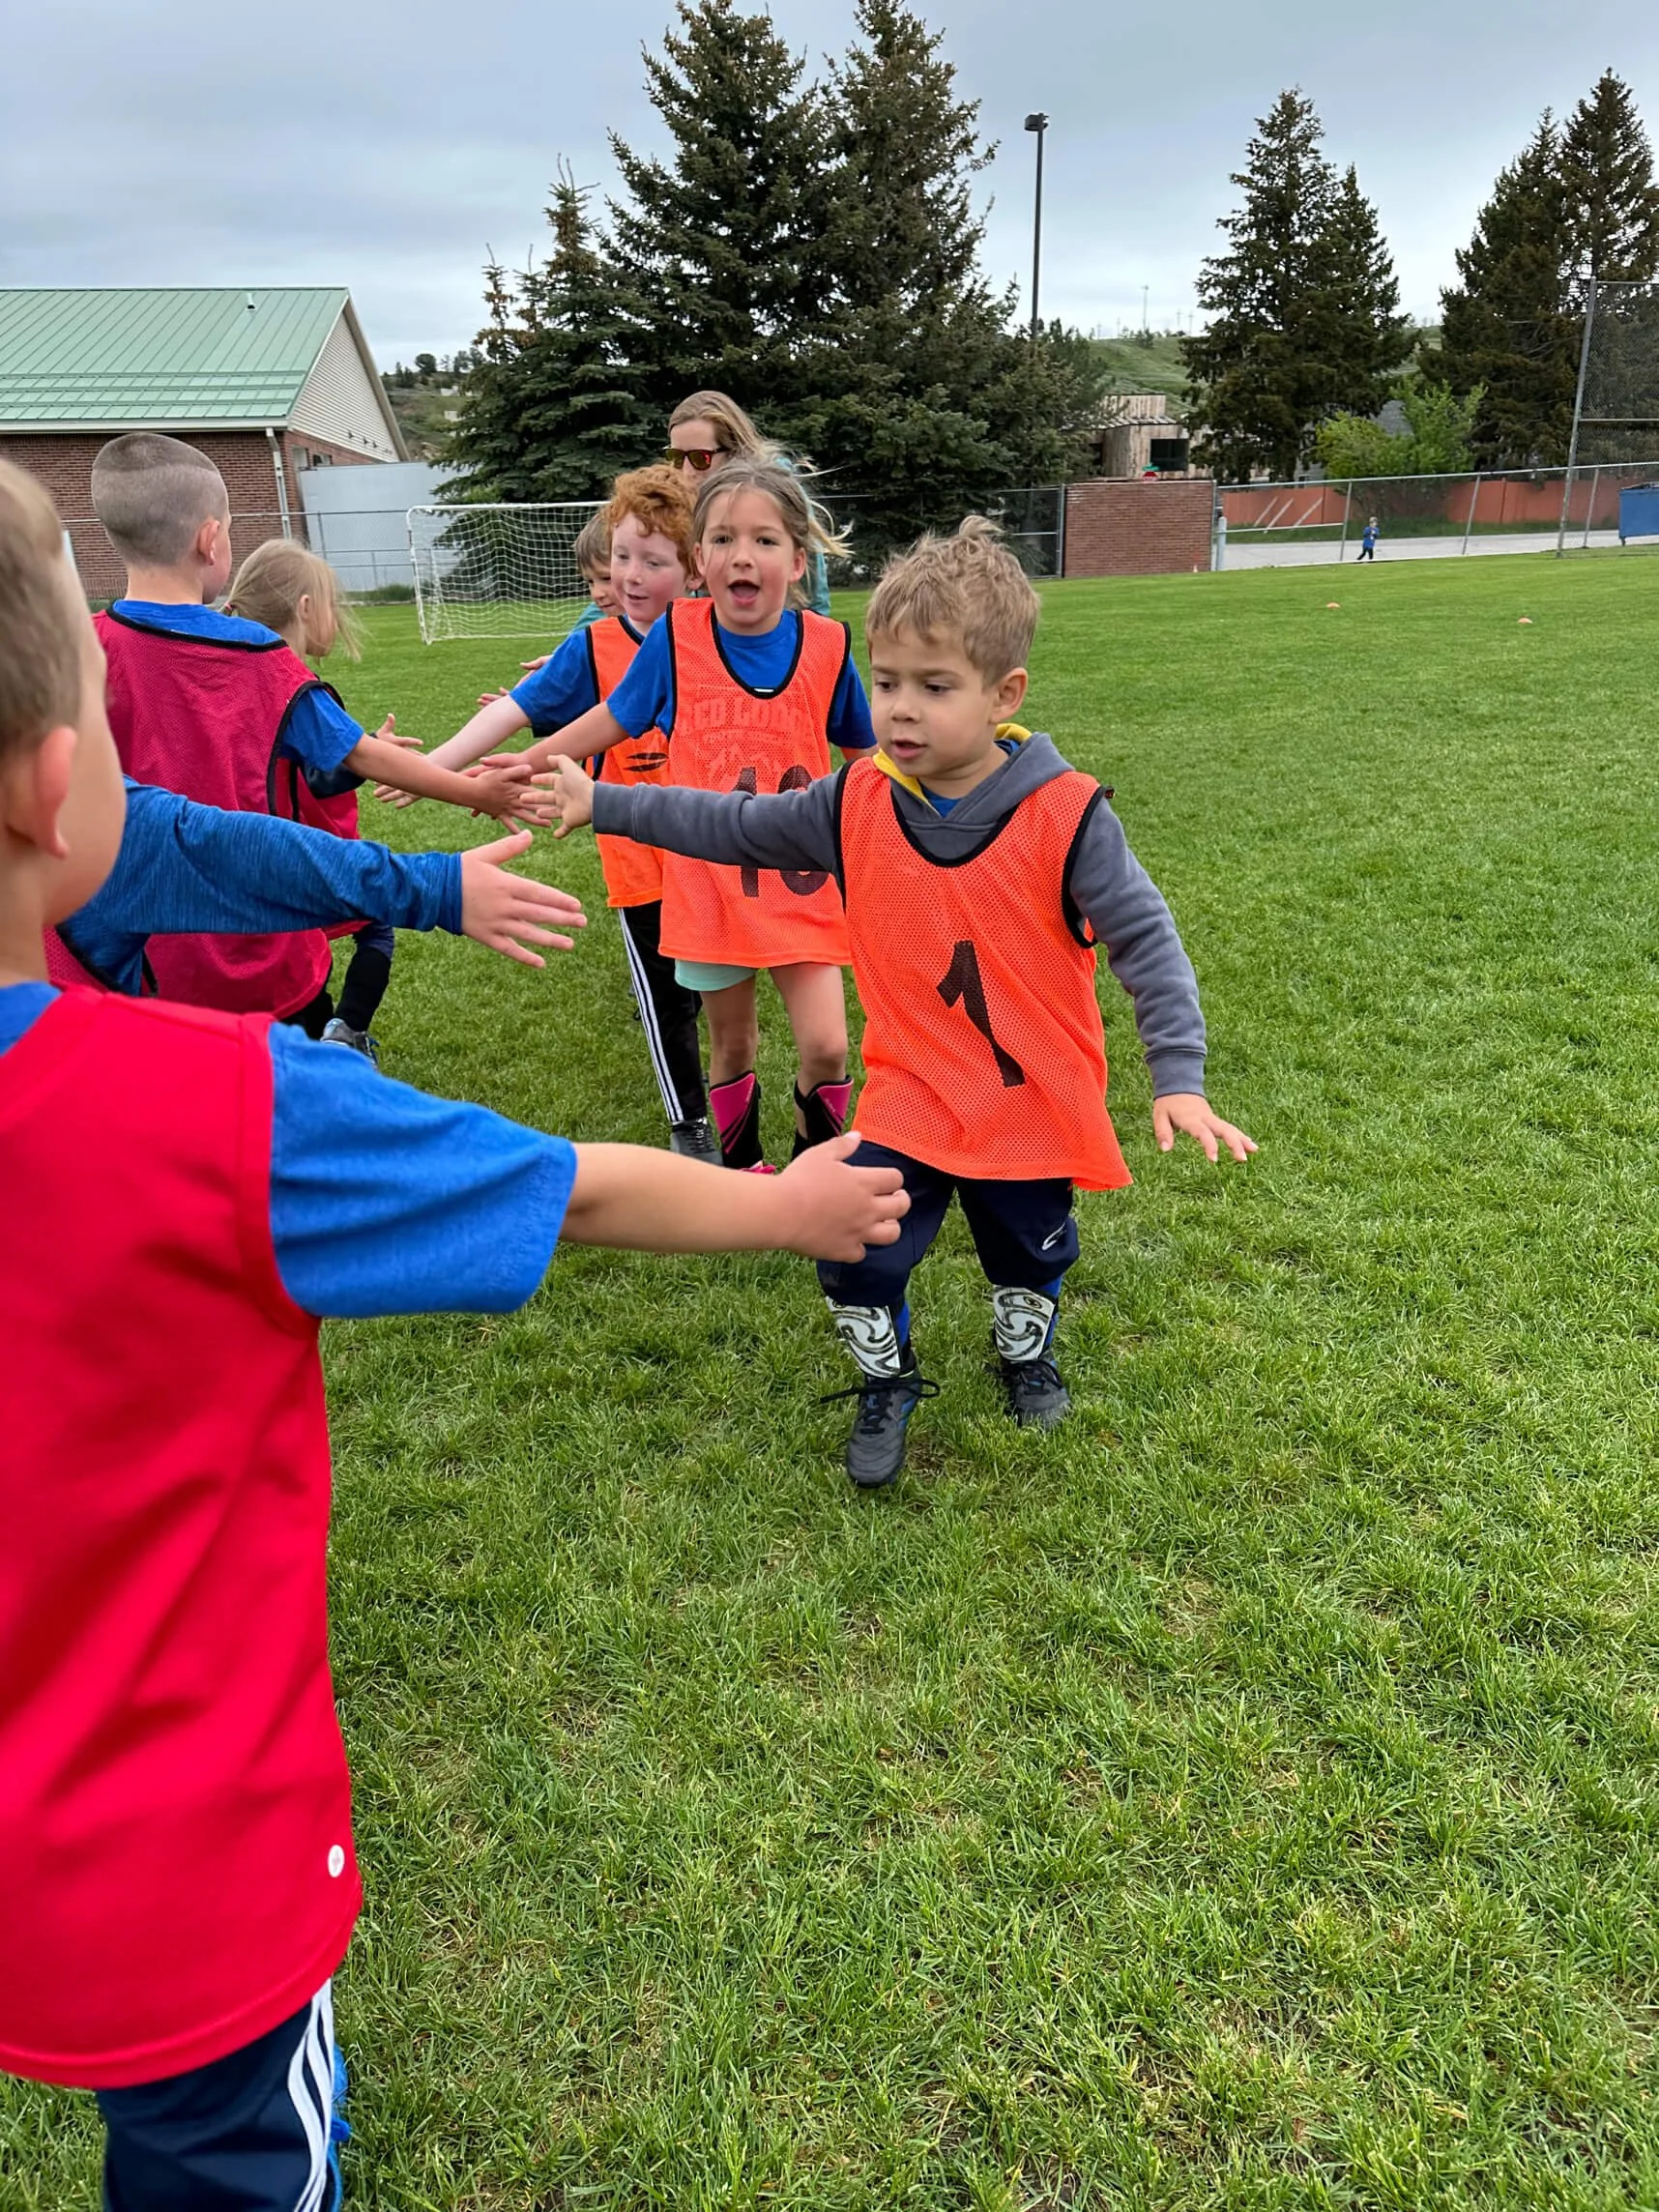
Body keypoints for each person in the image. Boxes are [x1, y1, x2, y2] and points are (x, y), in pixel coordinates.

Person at [0, 455, 909, 2212]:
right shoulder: (224, 1110)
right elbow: (562, 1188)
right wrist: (794, 1205)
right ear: (58, 785)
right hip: (172, 1882)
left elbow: (220, 837)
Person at [548, 518, 1256, 1487]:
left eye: (933, 686)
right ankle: (889, 1379)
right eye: (885, 683)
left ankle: (1024, 1349)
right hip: (912, 1093)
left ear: (1004, 693)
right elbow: (736, 822)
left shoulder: (1069, 814)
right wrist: (608, 802)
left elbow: (1147, 940)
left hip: (1027, 1099)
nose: (900, 710)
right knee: (854, 1243)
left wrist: (1178, 1075)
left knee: (1031, 1250)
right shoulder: (856, 801)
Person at [88, 432, 544, 1037]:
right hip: (268, 959)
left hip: (140, 964)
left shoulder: (79, 652)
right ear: (211, 539)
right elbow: (362, 754)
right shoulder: (263, 660)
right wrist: (479, 793)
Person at [516, 457, 874, 1171]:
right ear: (700, 561)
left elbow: (867, 757)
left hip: (801, 880)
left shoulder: (829, 648)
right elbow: (611, 720)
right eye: (722, 539)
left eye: (765, 541)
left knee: (828, 1044)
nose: (743, 555)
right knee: (733, 1042)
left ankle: (813, 1169)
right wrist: (522, 764)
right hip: (707, 883)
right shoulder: (674, 640)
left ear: (797, 560)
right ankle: (743, 1176)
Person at [423, 467, 715, 1156]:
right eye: (620, 558)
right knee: (668, 1000)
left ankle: (734, 1114)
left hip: (716, 850)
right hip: (640, 858)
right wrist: (427, 767)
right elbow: (512, 711)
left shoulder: (716, 635)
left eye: (653, 560)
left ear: (694, 567)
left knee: (713, 990)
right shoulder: (592, 646)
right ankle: (691, 1124)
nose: (630, 576)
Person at [667, 391, 834, 617]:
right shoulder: (669, 503)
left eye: (700, 458)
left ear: (734, 452)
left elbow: (815, 600)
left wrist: (812, 643)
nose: (686, 471)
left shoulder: (776, 497)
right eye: (676, 457)